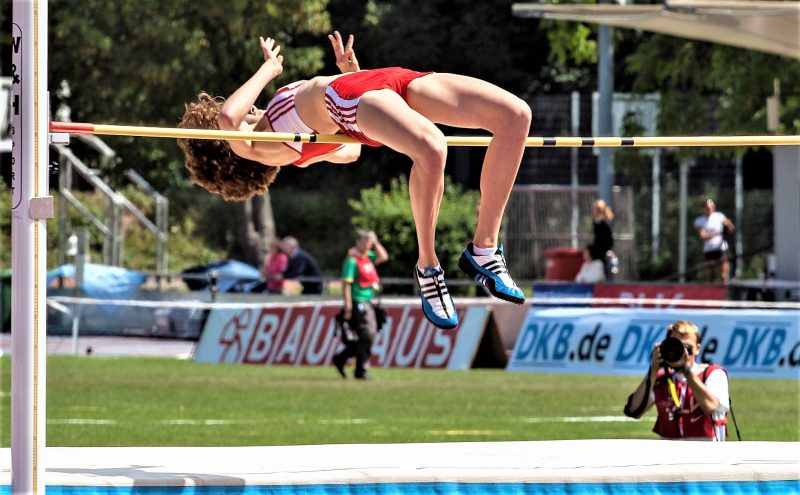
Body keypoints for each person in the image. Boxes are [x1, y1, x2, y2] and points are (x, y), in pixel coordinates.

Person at [177, 32, 531, 330]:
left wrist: (353, 75)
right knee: (433, 149)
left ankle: (483, 250)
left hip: (377, 83)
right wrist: (269, 69)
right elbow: (227, 117)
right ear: (230, 153)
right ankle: (428, 265)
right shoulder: (258, 147)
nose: (249, 109)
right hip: (350, 98)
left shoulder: (294, 147)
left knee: (515, 116)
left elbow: (351, 152)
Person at [623, 320, 730, 441]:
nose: (682, 352)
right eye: (676, 346)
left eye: (687, 347)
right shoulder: (662, 379)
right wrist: (653, 371)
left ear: (698, 349)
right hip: (670, 457)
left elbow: (710, 406)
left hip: (707, 457)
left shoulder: (712, 373)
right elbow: (634, 411)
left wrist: (686, 371)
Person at [332, 229, 389, 380]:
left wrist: (375, 242)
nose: (367, 244)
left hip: (368, 300)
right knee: (368, 335)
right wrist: (348, 305)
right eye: (365, 240)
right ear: (357, 242)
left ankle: (344, 360)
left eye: (369, 241)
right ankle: (359, 369)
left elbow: (384, 256)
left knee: (368, 336)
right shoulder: (352, 261)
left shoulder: (367, 257)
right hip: (358, 301)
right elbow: (346, 284)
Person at [694, 198, 735, 284]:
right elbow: (703, 236)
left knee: (724, 274)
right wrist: (719, 233)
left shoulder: (719, 216)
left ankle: (726, 292)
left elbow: (730, 227)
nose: (709, 208)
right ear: (703, 208)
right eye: (707, 207)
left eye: (711, 206)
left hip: (721, 247)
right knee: (710, 274)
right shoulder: (699, 220)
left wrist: (728, 225)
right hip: (709, 249)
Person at [591, 199, 615, 280]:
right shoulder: (595, 223)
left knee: (605, 267)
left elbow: (609, 239)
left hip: (604, 250)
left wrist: (607, 250)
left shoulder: (604, 223)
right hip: (597, 249)